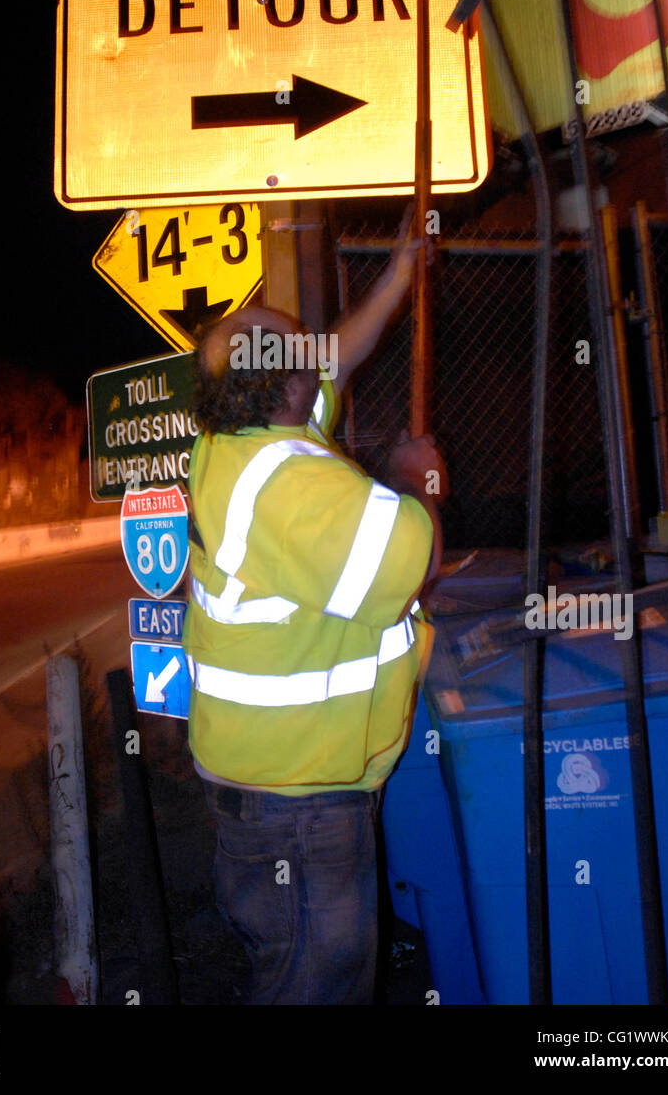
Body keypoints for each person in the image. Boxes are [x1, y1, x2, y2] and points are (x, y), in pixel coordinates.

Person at [183, 210, 448, 1004]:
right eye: (303, 350)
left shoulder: (232, 443)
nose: (317, 352)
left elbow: (337, 353)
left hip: (275, 800)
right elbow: (414, 565)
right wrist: (419, 477)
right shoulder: (295, 489)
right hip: (298, 816)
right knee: (314, 991)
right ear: (291, 386)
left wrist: (399, 276)